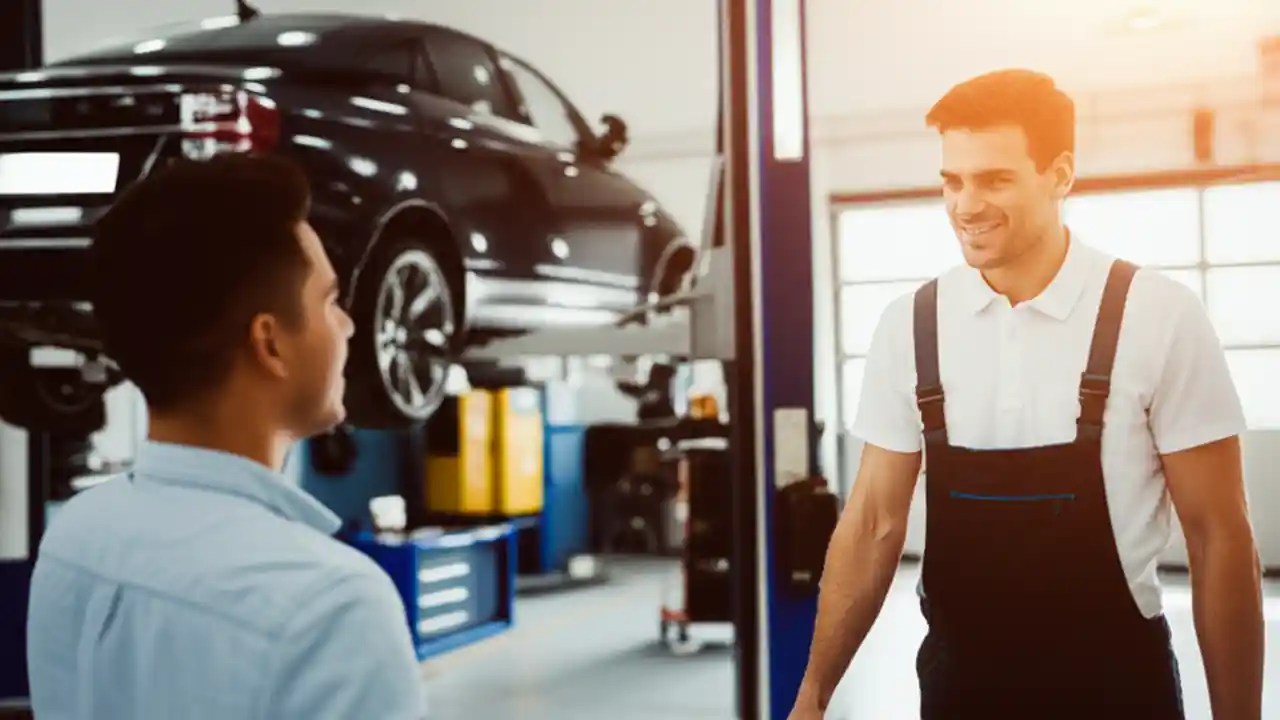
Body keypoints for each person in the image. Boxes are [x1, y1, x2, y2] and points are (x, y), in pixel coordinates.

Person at [789, 69, 1264, 719]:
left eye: (994, 179)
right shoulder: (911, 325)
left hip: (1119, 691)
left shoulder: (1156, 315)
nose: (965, 204)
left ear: (1060, 175)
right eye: (952, 181)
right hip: (961, 694)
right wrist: (813, 695)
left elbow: (1219, 537)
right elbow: (873, 522)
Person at [26, 154, 428, 719]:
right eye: (330, 302)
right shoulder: (332, 606)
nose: (349, 326)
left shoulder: (77, 536)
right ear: (270, 343)